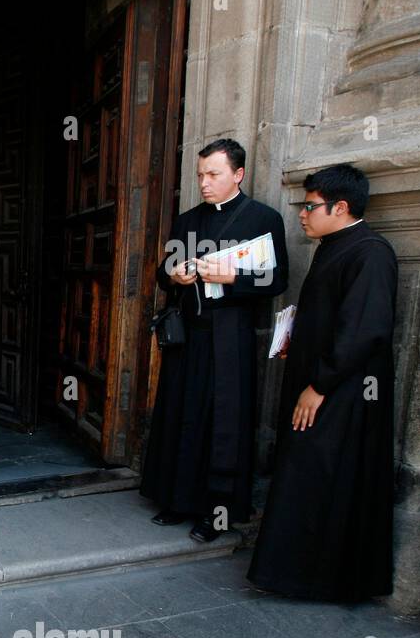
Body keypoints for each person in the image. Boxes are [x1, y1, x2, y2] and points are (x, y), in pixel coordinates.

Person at [249, 165, 397, 601]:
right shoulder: (333, 246)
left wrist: (320, 385)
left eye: (311, 206)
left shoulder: (371, 252)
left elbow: (364, 330)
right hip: (323, 383)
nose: (302, 214)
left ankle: (324, 580)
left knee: (326, 478)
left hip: (343, 393)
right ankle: (295, 574)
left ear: (342, 207)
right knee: (307, 476)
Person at [141, 138, 289, 542]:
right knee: (180, 416)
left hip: (230, 340)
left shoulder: (264, 218)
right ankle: (176, 500)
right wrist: (174, 276)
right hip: (188, 338)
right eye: (200, 175)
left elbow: (277, 281)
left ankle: (216, 513)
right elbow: (163, 271)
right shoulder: (187, 220)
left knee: (222, 425)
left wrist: (232, 278)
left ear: (237, 175)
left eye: (213, 175)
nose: (204, 183)